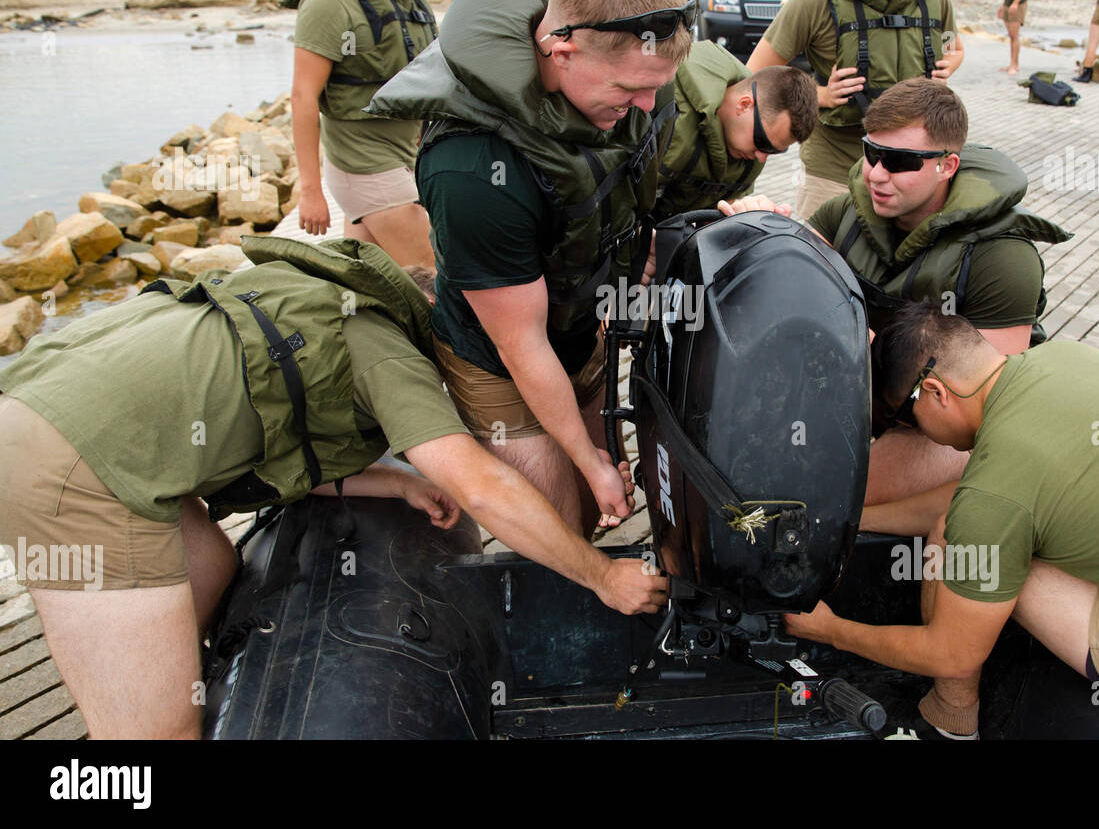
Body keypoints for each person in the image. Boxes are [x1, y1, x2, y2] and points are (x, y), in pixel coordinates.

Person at [0, 237, 667, 739]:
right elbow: (482, 486)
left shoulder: (314, 288)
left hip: (48, 401)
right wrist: (600, 578)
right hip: (73, 473)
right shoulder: (385, 346)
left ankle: (200, 687)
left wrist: (390, 482)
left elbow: (267, 424)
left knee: (209, 567)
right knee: (154, 736)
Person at [786, 299, 1099, 737]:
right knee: (980, 524)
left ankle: (951, 716)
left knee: (965, 546)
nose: (909, 430)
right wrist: (856, 520)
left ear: (937, 393)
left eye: (903, 418)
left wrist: (832, 630)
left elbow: (951, 653)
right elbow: (976, 495)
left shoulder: (997, 493)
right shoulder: (1061, 360)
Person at [366, 0, 693, 539]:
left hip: (577, 332)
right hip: (501, 363)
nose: (649, 105)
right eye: (629, 91)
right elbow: (520, 345)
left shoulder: (636, 76)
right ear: (561, 47)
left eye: (658, 86)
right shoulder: (472, 170)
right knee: (563, 530)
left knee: (598, 505)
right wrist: (585, 461)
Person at [725, 77, 1070, 507]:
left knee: (820, 497)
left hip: (949, 429)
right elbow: (793, 268)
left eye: (900, 161)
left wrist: (866, 348)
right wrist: (760, 225)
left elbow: (989, 408)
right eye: (871, 153)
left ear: (947, 165)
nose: (877, 175)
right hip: (868, 396)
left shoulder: (1002, 257)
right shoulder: (850, 212)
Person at [746, 0, 965, 220]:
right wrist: (818, 94)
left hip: (910, 166)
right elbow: (754, 76)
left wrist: (951, 62)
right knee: (822, 260)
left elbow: (952, 43)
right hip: (834, 162)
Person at [283, 0, 450, 266]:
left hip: (404, 158)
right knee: (440, 280)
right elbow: (303, 96)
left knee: (367, 281)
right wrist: (310, 191)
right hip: (365, 166)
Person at [655, 41, 818, 220]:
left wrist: (739, 212)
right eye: (762, 142)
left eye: (775, 151)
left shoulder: (748, 151)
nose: (761, 157)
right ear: (744, 105)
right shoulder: (665, 104)